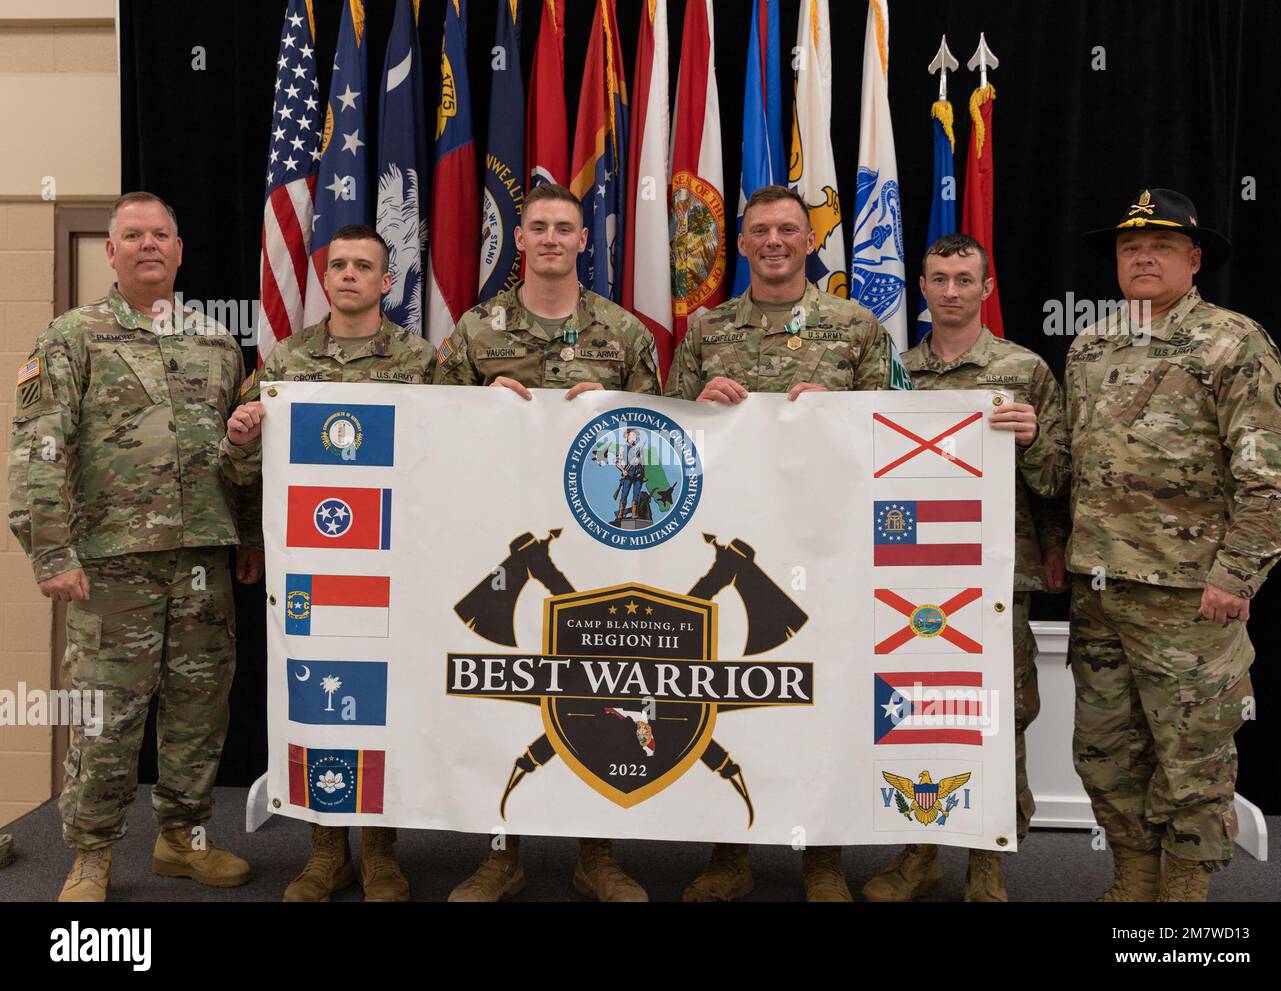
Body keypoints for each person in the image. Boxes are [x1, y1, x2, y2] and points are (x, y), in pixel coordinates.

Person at [8, 192, 261, 902]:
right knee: (105, 712)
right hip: (113, 565)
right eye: (132, 235)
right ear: (111, 250)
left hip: (205, 560)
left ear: (179, 249)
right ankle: (91, 855)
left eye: (161, 234)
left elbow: (233, 450)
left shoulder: (216, 342)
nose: (149, 244)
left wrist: (246, 533)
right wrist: (50, 549)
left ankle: (182, 840)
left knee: (199, 706)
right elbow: (37, 447)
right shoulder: (70, 337)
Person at [666, 184, 911, 902]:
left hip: (826, 544)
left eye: (788, 231)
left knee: (821, 696)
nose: (774, 242)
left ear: (811, 242)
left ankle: (822, 857)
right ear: (741, 245)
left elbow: (897, 432)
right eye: (760, 232)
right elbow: (667, 442)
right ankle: (729, 851)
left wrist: (843, 414)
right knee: (728, 691)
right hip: (728, 546)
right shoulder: (708, 330)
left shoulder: (857, 325)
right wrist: (695, 404)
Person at [1065, 188, 1281, 901]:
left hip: (1189, 597)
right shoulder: (1090, 344)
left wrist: (1236, 575)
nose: (1142, 255)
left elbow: (1271, 476)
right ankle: (1132, 875)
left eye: (1161, 245)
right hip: (1100, 590)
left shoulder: (1233, 341)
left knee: (1192, 753)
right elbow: (1075, 466)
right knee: (1105, 751)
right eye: (1131, 246)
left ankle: (1184, 892)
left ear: (1193, 260)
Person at [434, 182, 661, 902]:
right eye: (540, 227)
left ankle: (598, 851)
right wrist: (478, 407)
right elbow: (431, 429)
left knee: (598, 688)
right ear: (520, 240)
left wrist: (617, 411)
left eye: (567, 227)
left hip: (603, 550)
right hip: (501, 545)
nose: (554, 238)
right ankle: (501, 852)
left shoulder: (625, 334)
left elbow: (666, 450)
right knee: (506, 693)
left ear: (584, 241)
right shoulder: (476, 330)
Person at [222, 224, 437, 902]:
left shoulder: (421, 360)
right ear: (325, 278)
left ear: (385, 281)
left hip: (393, 562)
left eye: (362, 265)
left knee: (385, 703)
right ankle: (323, 850)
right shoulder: (285, 360)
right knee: (316, 701)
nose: (347, 274)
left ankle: (379, 851)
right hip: (310, 566)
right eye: (337, 264)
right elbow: (240, 463)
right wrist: (239, 438)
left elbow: (455, 455)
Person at [862, 233, 1070, 903]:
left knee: (998, 715)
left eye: (964, 278)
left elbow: (1060, 478)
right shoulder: (892, 373)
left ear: (986, 288)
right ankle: (919, 847)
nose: (951, 290)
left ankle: (989, 860)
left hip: (996, 578)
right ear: (921, 289)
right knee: (916, 713)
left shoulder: (1025, 371)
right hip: (907, 574)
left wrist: (1034, 440)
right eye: (939, 278)